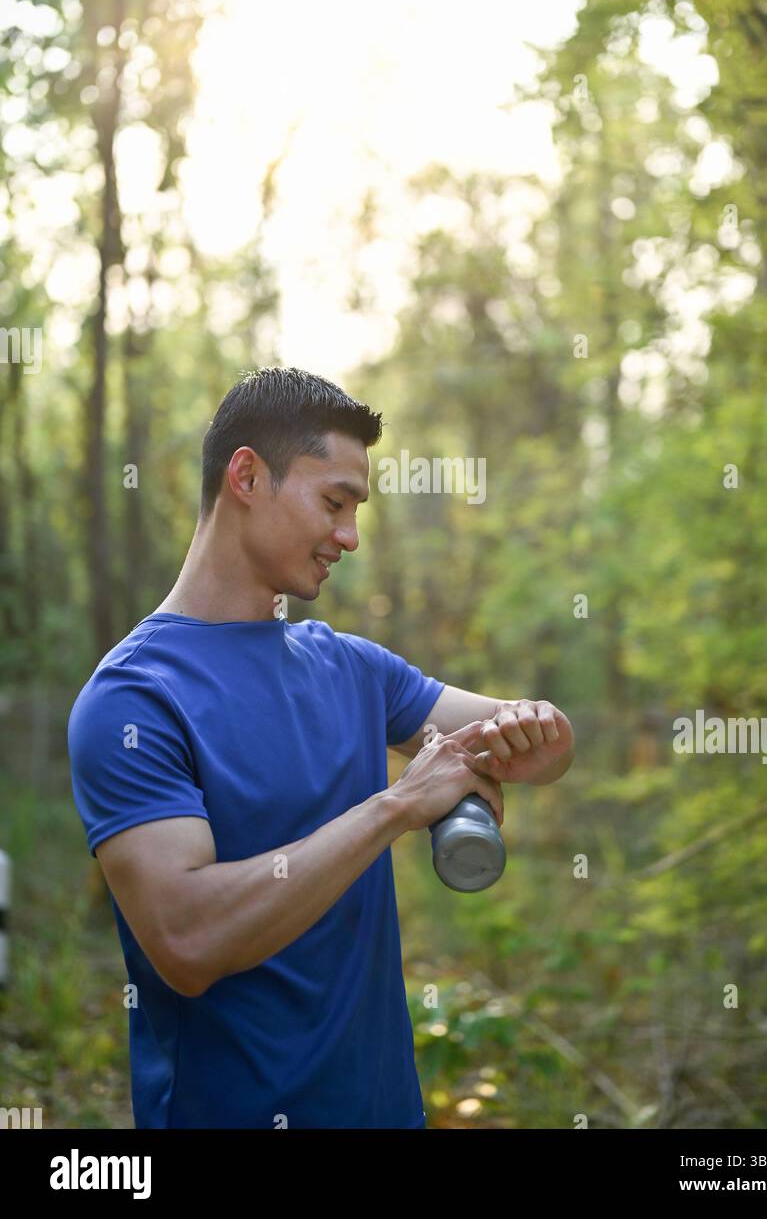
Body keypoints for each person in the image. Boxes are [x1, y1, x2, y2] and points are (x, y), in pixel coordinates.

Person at [67, 366, 574, 1129]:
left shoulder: (354, 668)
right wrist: (398, 807)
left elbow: (535, 749)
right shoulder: (133, 700)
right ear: (246, 475)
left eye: (356, 509)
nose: (351, 536)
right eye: (333, 502)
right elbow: (188, 938)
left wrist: (539, 731)